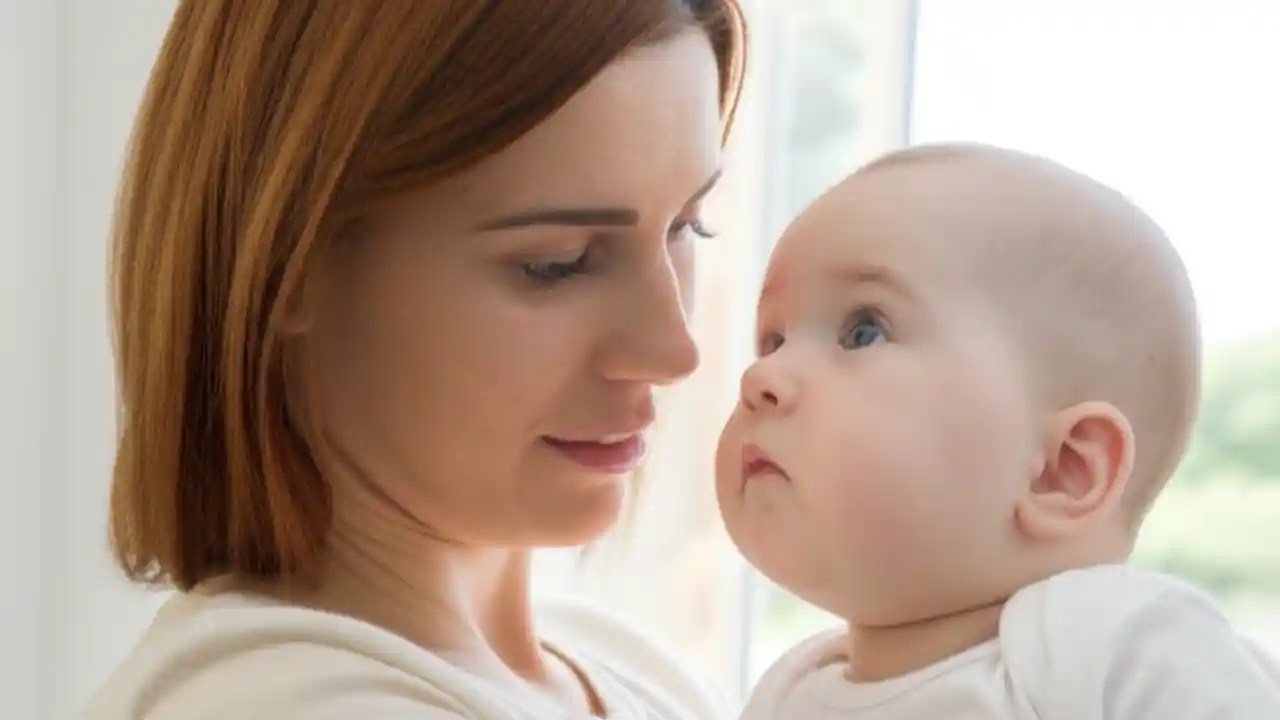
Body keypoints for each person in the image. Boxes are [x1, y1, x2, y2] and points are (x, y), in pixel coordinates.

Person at [82, 2, 745, 718]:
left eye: (687, 225)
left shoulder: (637, 674)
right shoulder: (285, 703)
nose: (673, 351)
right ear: (290, 263)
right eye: (560, 264)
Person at [717, 143, 1280, 719]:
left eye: (863, 332)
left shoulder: (1106, 644)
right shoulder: (789, 693)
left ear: (1061, 470)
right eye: (774, 340)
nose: (763, 375)